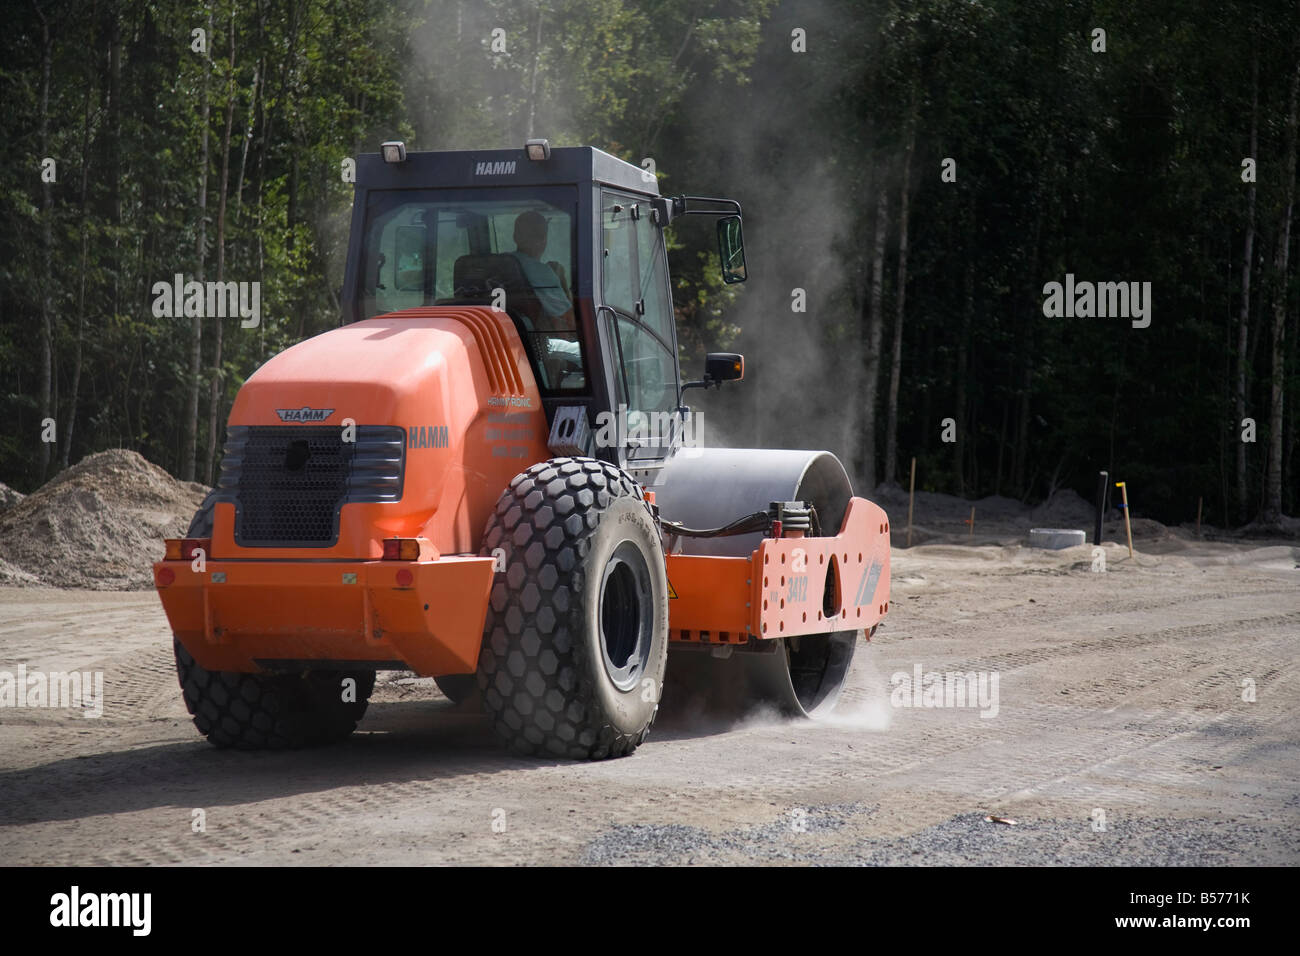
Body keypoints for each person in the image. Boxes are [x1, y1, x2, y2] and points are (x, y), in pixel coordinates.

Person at [509, 211, 573, 330]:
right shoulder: (542, 272)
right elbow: (570, 321)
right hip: (532, 341)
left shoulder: (500, 264)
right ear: (544, 240)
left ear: (515, 237)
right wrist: (561, 279)